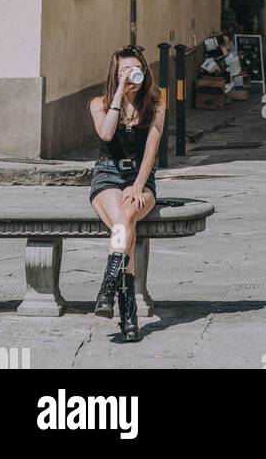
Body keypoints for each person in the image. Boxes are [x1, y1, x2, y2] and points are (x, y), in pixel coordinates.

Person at [89, 45, 165, 341]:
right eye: (124, 70)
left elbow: (151, 151)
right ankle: (128, 314)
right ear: (115, 74)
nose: (132, 74)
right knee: (125, 222)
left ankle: (108, 287)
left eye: (136, 69)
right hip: (107, 176)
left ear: (145, 71)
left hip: (140, 178)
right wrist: (119, 94)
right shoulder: (99, 103)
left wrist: (138, 185)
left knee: (127, 216)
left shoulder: (156, 105)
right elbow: (106, 134)